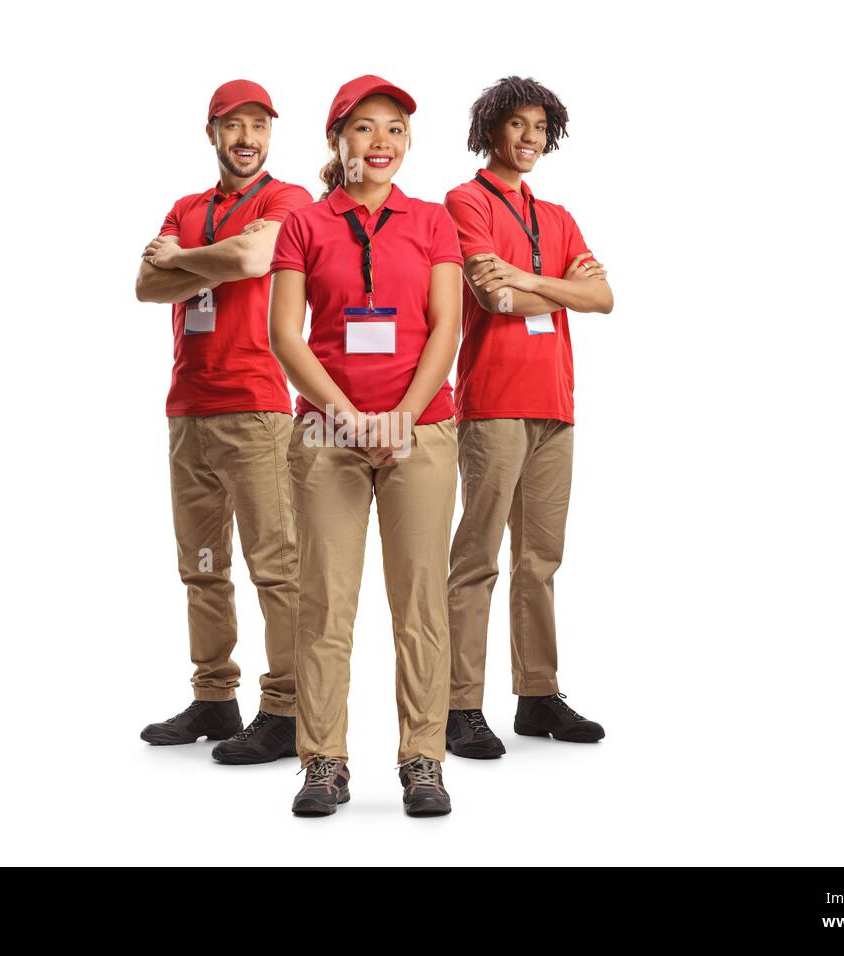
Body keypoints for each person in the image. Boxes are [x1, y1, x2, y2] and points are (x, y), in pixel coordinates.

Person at [268, 75, 463, 816]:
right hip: (327, 432)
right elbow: (285, 334)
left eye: (394, 130)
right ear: (336, 142)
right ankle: (323, 760)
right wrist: (349, 415)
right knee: (325, 602)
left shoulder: (434, 221)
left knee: (420, 601)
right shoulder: (304, 225)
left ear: (407, 144)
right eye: (363, 129)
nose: (380, 143)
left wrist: (405, 416)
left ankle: (423, 758)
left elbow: (447, 326)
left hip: (423, 430)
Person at [134, 79, 311, 764]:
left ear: (270, 135)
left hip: (257, 407)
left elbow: (254, 257)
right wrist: (184, 266)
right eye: (233, 126)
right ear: (212, 133)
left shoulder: (285, 200)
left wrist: (182, 260)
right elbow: (146, 285)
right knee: (203, 565)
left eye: (259, 126)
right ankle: (214, 696)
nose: (246, 138)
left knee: (275, 566)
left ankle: (288, 708)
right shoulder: (185, 205)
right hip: (189, 409)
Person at [441, 76, 614, 759]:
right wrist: (555, 289)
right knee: (478, 557)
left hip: (555, 402)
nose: (530, 138)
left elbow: (602, 297)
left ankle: (538, 694)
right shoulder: (464, 201)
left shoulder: (560, 216)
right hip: (491, 403)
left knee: (541, 559)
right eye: (517, 125)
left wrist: (531, 279)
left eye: (540, 127)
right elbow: (492, 300)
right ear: (491, 130)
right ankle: (459, 706)